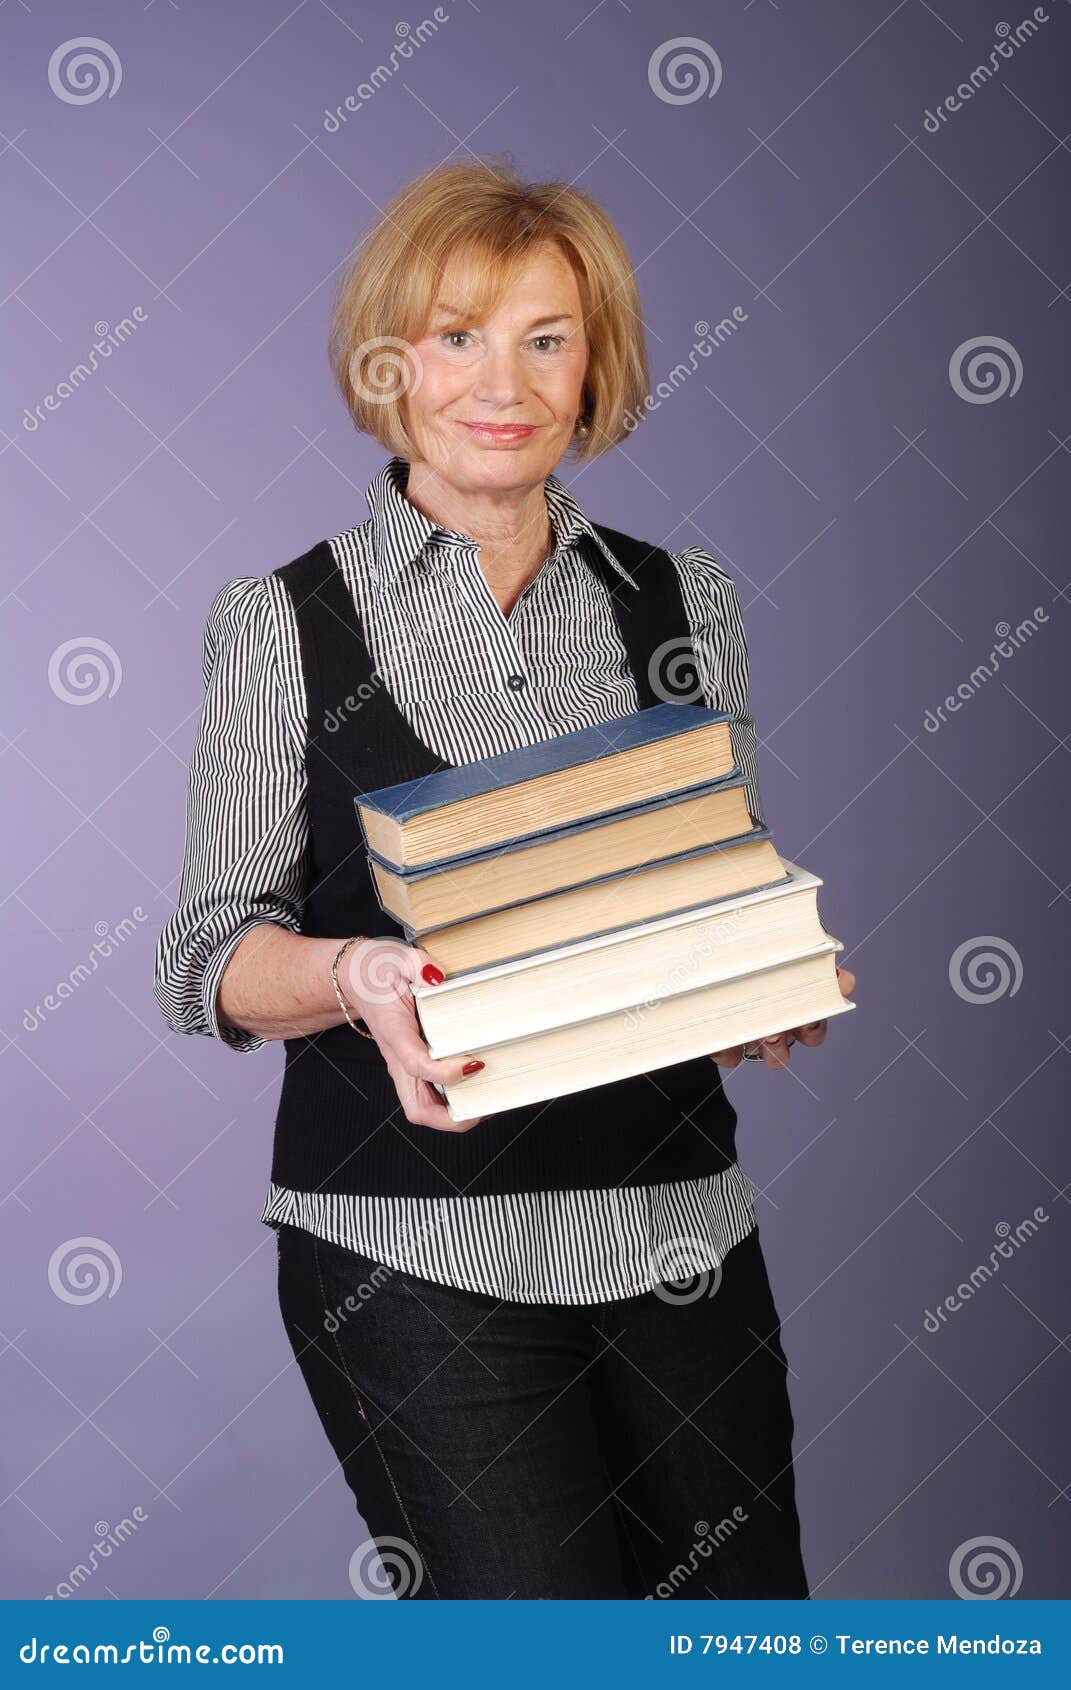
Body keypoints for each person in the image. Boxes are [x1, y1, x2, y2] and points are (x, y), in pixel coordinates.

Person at [154, 158, 855, 1600]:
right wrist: (354, 972)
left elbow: (708, 891)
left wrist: (763, 978)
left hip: (677, 1234)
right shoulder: (282, 620)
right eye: (460, 334)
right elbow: (208, 958)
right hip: (408, 1256)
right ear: (388, 360)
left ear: (595, 365)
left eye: (549, 336)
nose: (506, 380)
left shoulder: (685, 602)